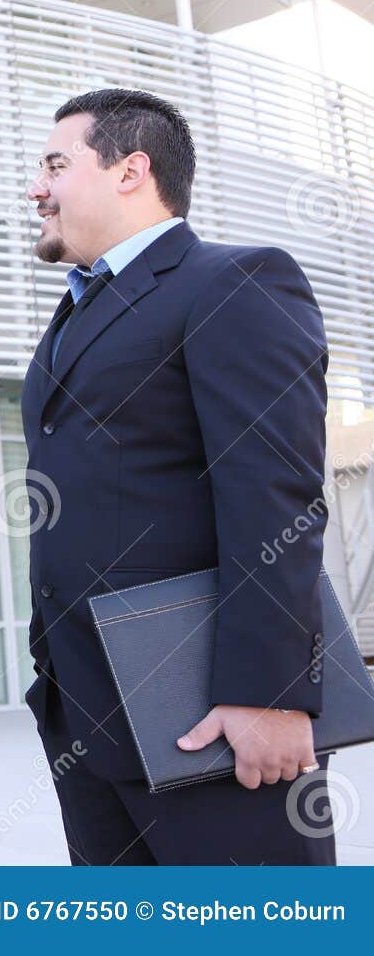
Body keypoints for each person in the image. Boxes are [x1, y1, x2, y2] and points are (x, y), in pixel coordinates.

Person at [22, 88, 334, 864]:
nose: (36, 188)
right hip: (87, 718)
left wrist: (267, 692)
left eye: (55, 166)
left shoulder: (237, 282)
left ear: (131, 170)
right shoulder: (75, 313)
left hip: (210, 717)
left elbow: (274, 497)